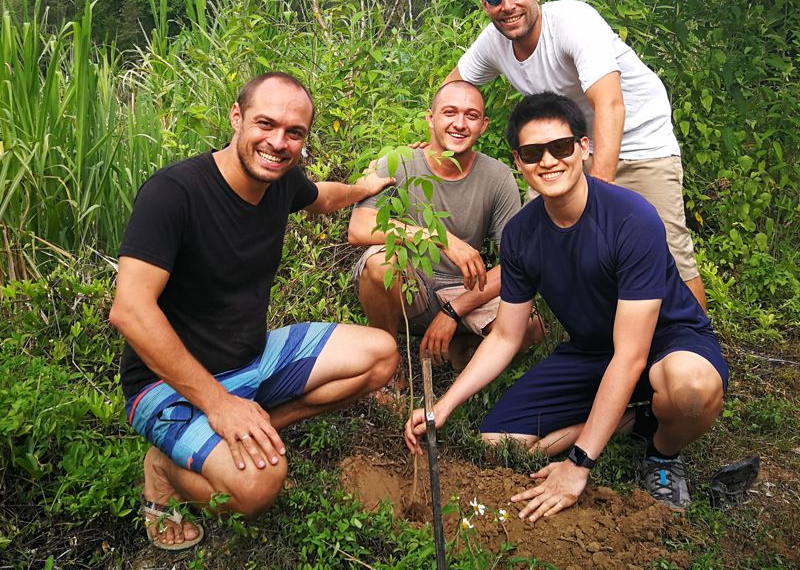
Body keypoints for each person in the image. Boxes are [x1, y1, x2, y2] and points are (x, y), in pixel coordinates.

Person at [109, 72, 399, 552]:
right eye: (266, 124)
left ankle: (251, 430)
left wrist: (364, 187)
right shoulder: (174, 193)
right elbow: (130, 311)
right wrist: (218, 405)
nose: (278, 142)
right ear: (237, 116)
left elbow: (323, 198)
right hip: (165, 387)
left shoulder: (282, 183)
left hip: (252, 359)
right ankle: (165, 469)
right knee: (258, 487)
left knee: (381, 355)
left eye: (295, 133)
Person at [405, 92, 728, 516]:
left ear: (583, 147)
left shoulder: (631, 217)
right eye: (533, 153)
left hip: (666, 342)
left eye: (560, 147)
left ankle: (662, 451)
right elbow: (505, 335)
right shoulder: (522, 233)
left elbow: (631, 354)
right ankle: (637, 414)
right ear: (518, 162)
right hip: (593, 351)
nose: (549, 161)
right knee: (498, 442)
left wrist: (578, 464)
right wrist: (442, 406)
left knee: (691, 391)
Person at [445, 0, 707, 310]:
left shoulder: (572, 22)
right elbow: (453, 88)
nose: (508, 5)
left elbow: (610, 105)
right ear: (485, 4)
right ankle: (579, 341)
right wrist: (433, 142)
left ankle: (698, 350)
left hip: (639, 139)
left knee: (667, 254)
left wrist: (598, 198)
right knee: (538, 239)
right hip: (568, 148)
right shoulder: (494, 42)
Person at [348, 80, 541, 371]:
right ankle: (387, 363)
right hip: (410, 286)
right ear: (431, 118)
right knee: (379, 264)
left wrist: (453, 310)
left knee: (532, 327)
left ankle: (461, 344)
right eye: (449, 112)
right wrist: (438, 238)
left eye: (471, 115)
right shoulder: (399, 162)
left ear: (483, 125)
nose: (460, 124)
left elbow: (514, 266)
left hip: (463, 291)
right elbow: (359, 228)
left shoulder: (498, 176)